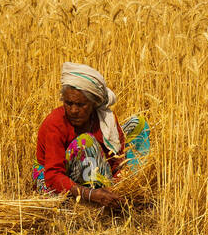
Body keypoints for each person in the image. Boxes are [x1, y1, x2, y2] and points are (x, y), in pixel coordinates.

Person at [32, 62, 152, 208]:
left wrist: (120, 184)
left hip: (98, 168)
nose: (74, 110)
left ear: (94, 103)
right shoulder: (56, 123)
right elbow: (54, 174)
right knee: (85, 141)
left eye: (81, 105)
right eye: (69, 103)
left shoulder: (105, 120)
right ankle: (93, 202)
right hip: (55, 179)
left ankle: (128, 191)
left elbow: (117, 159)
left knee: (137, 124)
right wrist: (89, 194)